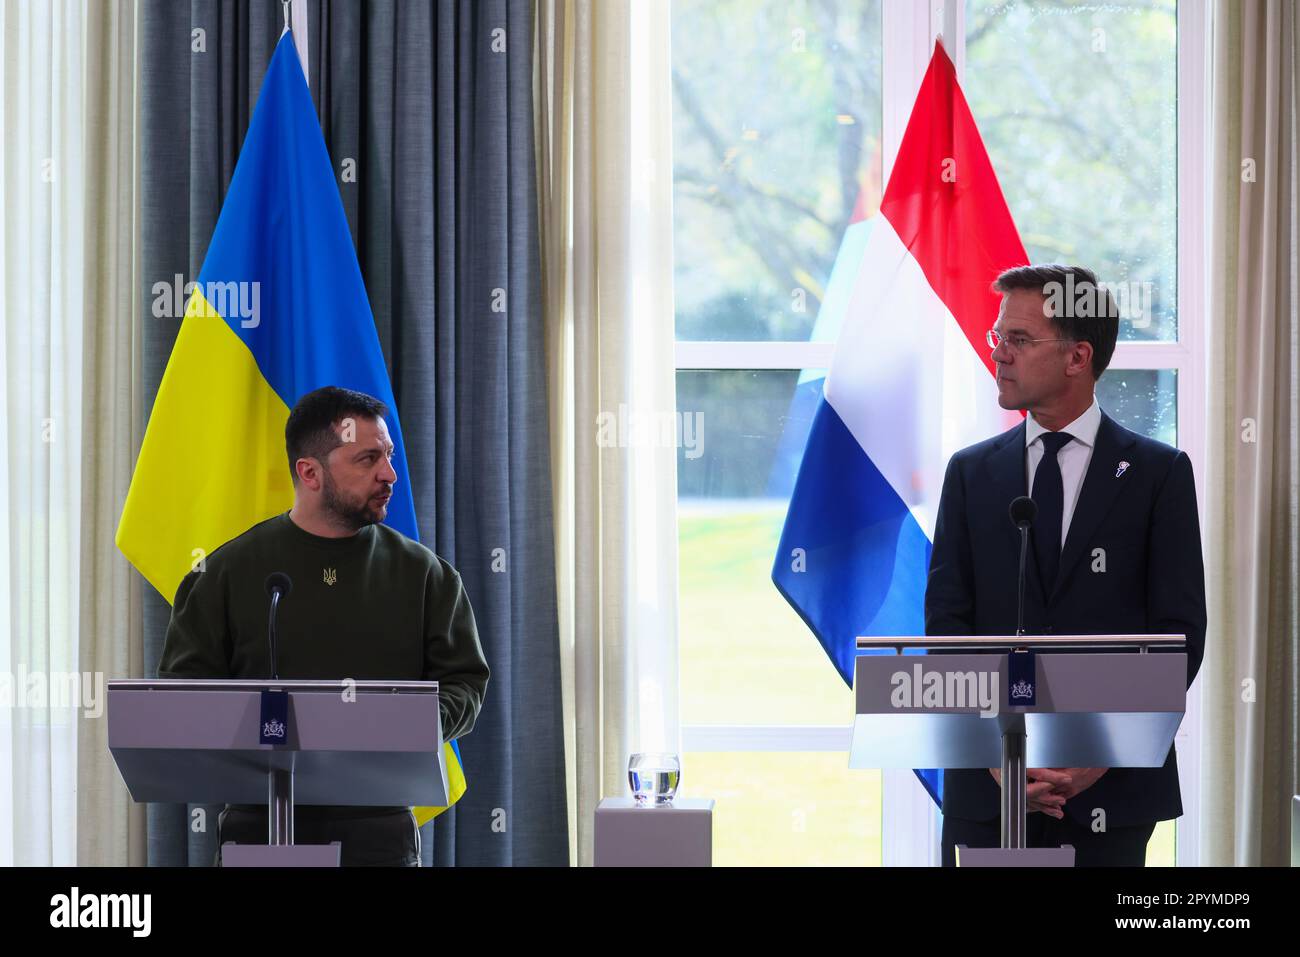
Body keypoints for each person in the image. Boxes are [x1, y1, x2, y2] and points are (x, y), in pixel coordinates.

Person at [926, 264, 1206, 867]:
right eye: (997, 337)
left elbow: (1179, 636)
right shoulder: (971, 474)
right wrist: (997, 757)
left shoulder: (1158, 475)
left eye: (1019, 340)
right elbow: (947, 631)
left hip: (1113, 794)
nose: (999, 354)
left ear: (1079, 357)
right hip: (990, 794)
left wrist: (1097, 753)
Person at [157, 385, 490, 866]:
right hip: (258, 829)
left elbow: (465, 682)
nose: (390, 474)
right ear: (309, 472)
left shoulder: (426, 575)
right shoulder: (225, 574)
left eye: (389, 456)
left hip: (378, 831)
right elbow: (182, 694)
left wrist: (407, 723)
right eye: (368, 459)